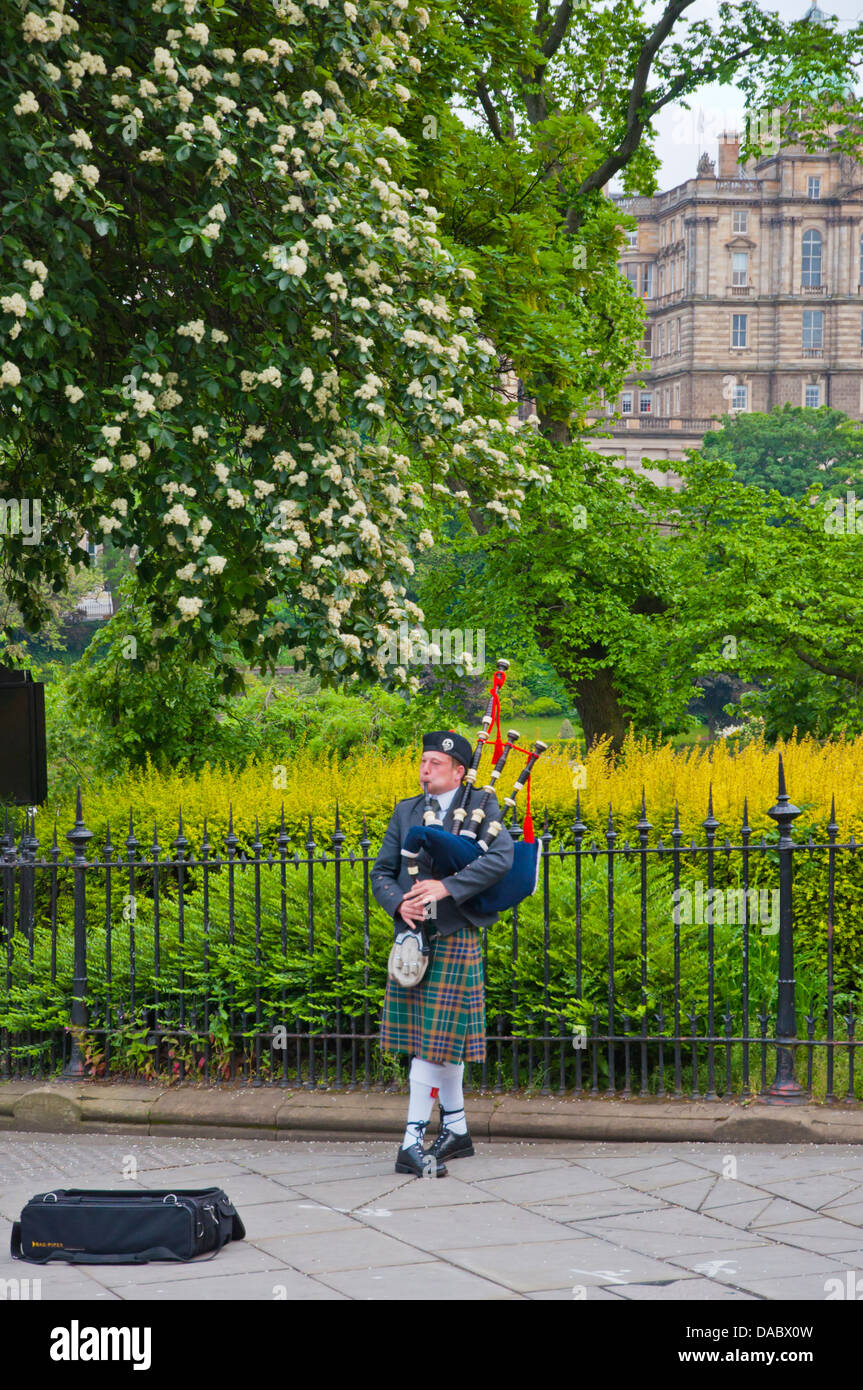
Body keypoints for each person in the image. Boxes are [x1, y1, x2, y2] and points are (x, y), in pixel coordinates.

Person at [372, 730, 514, 1177]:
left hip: (453, 936)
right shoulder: (405, 811)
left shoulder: (481, 808)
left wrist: (446, 887)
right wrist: (398, 901)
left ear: (458, 771)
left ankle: (410, 1142)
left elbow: (501, 859)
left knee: (434, 1044)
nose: (425, 769)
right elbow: (380, 872)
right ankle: (456, 1129)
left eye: (435, 763)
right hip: (412, 942)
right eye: (423, 761)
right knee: (436, 1042)